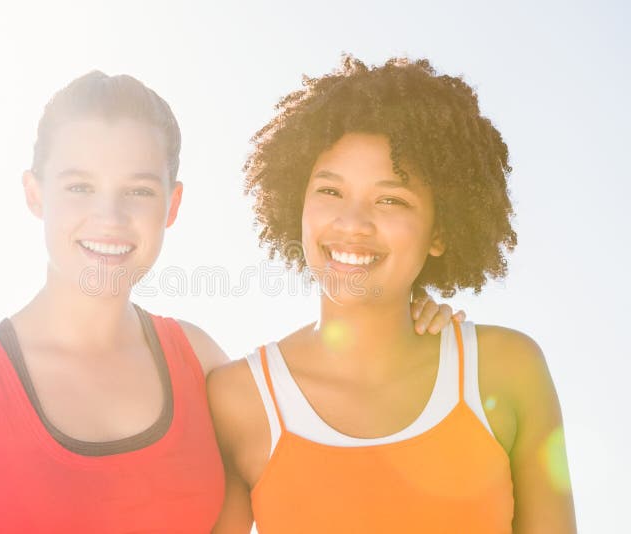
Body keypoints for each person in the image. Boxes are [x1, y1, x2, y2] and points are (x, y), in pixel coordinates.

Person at [0, 70, 457, 533]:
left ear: (171, 207)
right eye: (79, 186)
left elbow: (321, 414)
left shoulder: (199, 363)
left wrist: (407, 315)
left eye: (138, 191)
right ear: (34, 194)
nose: (110, 217)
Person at [208, 57, 577, 534]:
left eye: (391, 200)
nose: (353, 223)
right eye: (330, 191)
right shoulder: (237, 400)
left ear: (440, 231)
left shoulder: (508, 368)